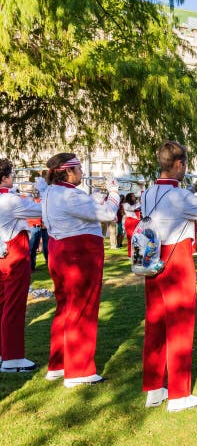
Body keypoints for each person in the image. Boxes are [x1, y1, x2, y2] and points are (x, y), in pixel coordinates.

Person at [139, 141, 197, 412]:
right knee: (180, 326)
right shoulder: (181, 196)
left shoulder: (147, 193)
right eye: (185, 164)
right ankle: (178, 394)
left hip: (152, 258)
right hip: (176, 259)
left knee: (155, 324)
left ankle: (154, 389)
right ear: (179, 164)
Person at [43, 153, 120, 386]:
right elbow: (108, 214)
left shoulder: (50, 192)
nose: (82, 173)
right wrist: (114, 193)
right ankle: (79, 370)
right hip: (79, 254)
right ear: (68, 171)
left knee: (65, 309)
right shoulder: (71, 195)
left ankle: (58, 364)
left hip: (59, 251)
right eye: (78, 168)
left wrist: (95, 199)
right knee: (82, 309)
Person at [0, 160, 43, 372]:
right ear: (5, 177)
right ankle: (12, 357)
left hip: (2, 251)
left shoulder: (10, 196)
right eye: (11, 174)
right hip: (12, 253)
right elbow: (40, 211)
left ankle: (3, 353)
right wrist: (44, 192)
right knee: (14, 306)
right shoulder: (9, 199)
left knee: (2, 305)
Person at [27, 189, 48, 270]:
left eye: (37, 192)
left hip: (40, 226)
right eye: (34, 192)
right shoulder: (28, 202)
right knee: (31, 248)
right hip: (32, 226)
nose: (36, 194)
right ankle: (30, 267)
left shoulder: (40, 201)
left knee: (37, 248)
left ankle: (33, 267)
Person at [122, 192, 140, 258]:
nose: (134, 197)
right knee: (131, 239)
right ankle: (130, 255)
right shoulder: (126, 204)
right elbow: (131, 209)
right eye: (133, 196)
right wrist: (138, 202)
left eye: (134, 196)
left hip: (136, 222)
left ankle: (136, 253)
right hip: (130, 222)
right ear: (129, 198)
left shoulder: (135, 204)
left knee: (137, 238)